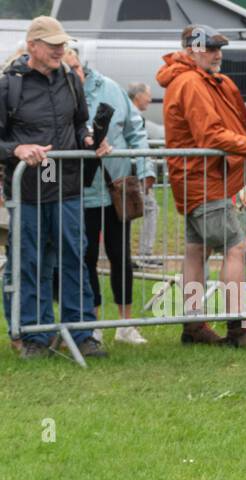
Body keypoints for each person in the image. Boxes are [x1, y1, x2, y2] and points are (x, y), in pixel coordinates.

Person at [157, 24, 246, 348]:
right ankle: (238, 326)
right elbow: (210, 135)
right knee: (236, 247)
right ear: (191, 50)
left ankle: (194, 325)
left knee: (197, 250)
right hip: (203, 179)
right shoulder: (190, 83)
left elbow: (227, 128)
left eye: (218, 48)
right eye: (209, 48)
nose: (217, 54)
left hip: (205, 178)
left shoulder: (208, 81)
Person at [0, 16, 111, 360]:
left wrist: (90, 140)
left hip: (67, 184)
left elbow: (78, 123)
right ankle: (34, 334)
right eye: (52, 45)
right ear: (32, 46)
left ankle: (81, 333)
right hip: (27, 188)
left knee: (75, 257)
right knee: (30, 261)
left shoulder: (69, 79)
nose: (60, 50)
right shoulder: (8, 86)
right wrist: (16, 150)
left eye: (62, 44)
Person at [65, 49, 151, 346]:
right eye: (68, 67)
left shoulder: (111, 89)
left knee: (121, 254)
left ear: (83, 65)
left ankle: (126, 325)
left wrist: (145, 167)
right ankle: (95, 322)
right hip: (79, 191)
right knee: (86, 257)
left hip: (116, 187)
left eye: (76, 66)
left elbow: (136, 130)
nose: (74, 71)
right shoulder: (59, 94)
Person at [126, 81, 162, 269]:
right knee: (150, 209)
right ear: (138, 96)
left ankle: (129, 255)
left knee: (130, 212)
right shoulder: (136, 116)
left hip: (131, 172)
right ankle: (144, 254)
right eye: (148, 94)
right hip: (137, 173)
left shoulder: (130, 113)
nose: (150, 98)